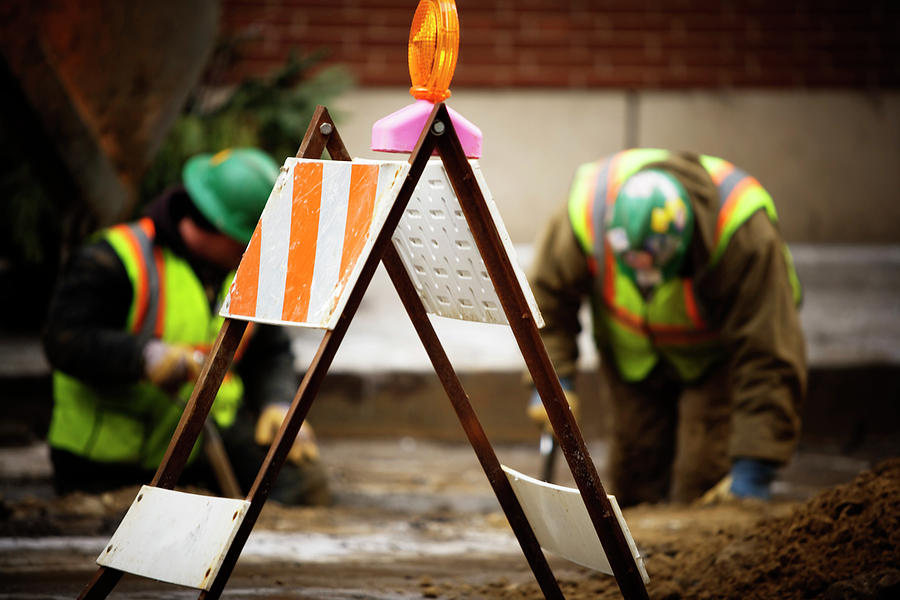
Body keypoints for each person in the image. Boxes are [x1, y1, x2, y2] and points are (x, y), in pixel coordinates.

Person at [43, 148, 329, 505]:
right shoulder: (115, 260)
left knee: (303, 482)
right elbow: (65, 341)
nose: (258, 250)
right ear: (227, 229)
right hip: (104, 462)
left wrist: (278, 401)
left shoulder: (242, 270)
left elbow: (269, 350)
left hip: (201, 446)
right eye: (252, 239)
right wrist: (144, 358)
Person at [526, 148, 806, 506]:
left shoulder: (743, 233)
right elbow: (546, 300)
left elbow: (770, 353)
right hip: (633, 359)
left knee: (705, 484)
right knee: (634, 482)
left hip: (714, 361)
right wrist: (552, 381)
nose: (645, 280)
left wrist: (755, 468)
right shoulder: (586, 212)